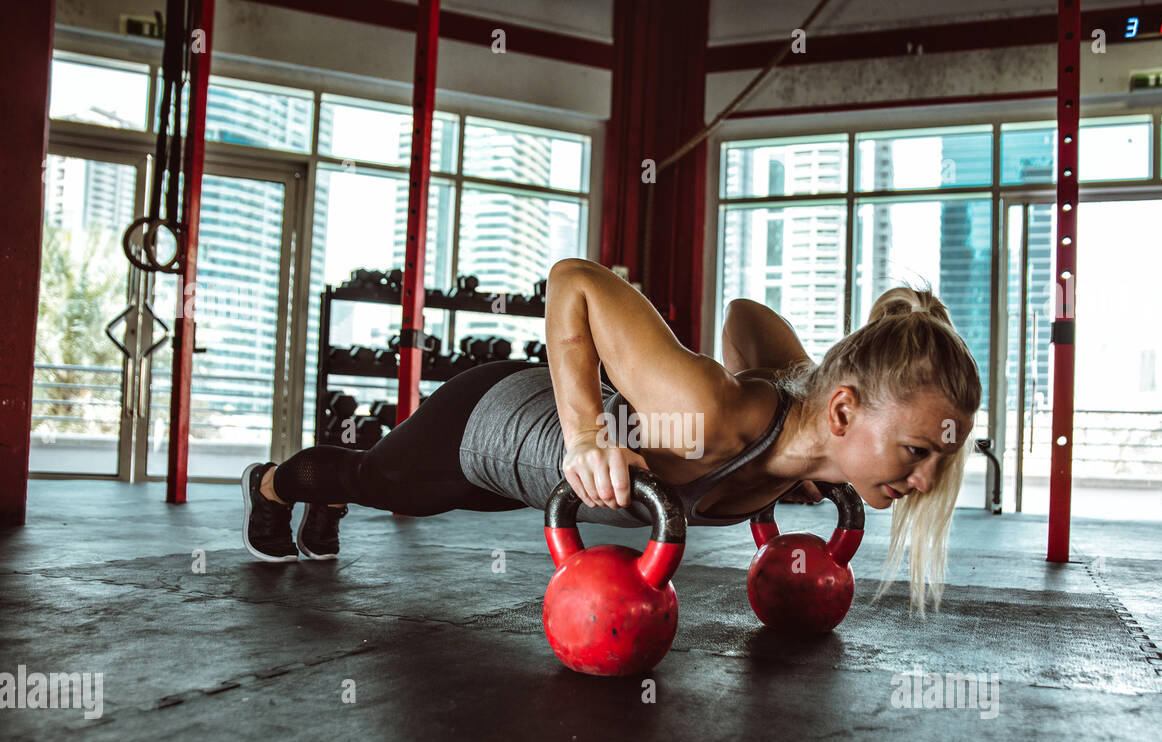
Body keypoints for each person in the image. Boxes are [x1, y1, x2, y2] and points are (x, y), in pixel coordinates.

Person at [241, 258, 981, 615]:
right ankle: (271, 485)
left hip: (545, 482)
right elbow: (573, 281)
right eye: (917, 452)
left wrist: (821, 447)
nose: (921, 479)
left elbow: (745, 314)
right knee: (377, 483)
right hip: (493, 421)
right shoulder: (710, 413)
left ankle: (320, 496)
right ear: (846, 411)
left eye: (937, 459)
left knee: (417, 494)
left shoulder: (804, 415)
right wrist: (589, 437)